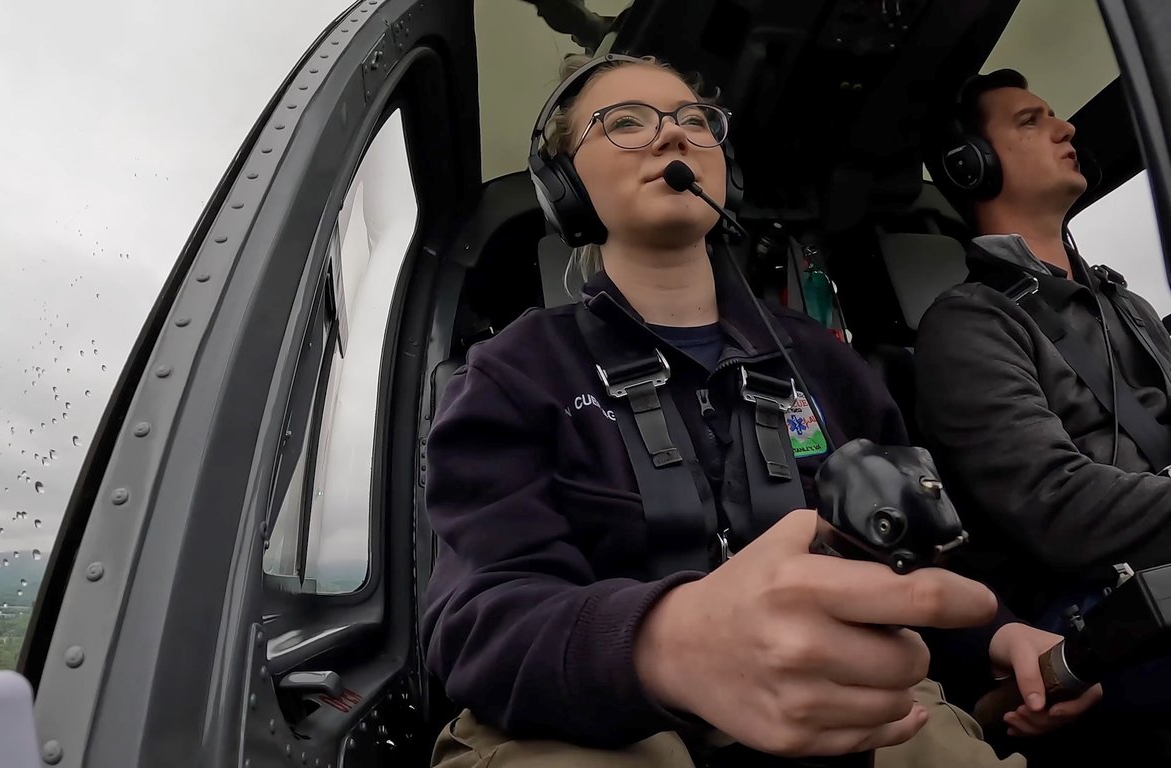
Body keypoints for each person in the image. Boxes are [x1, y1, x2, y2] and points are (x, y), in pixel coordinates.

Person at [421, 52, 1074, 768]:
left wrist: (999, 639)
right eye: (627, 124)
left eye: (694, 122)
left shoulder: (826, 366)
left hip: (832, 689)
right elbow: (478, 624)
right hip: (602, 718)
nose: (673, 138)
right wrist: (663, 645)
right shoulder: (513, 374)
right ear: (566, 186)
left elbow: (910, 554)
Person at [914, 70, 1171, 741]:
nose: (1068, 128)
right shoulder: (968, 323)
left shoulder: (1130, 307)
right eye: (1030, 121)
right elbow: (1056, 506)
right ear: (971, 165)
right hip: (1101, 612)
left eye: (1056, 115)